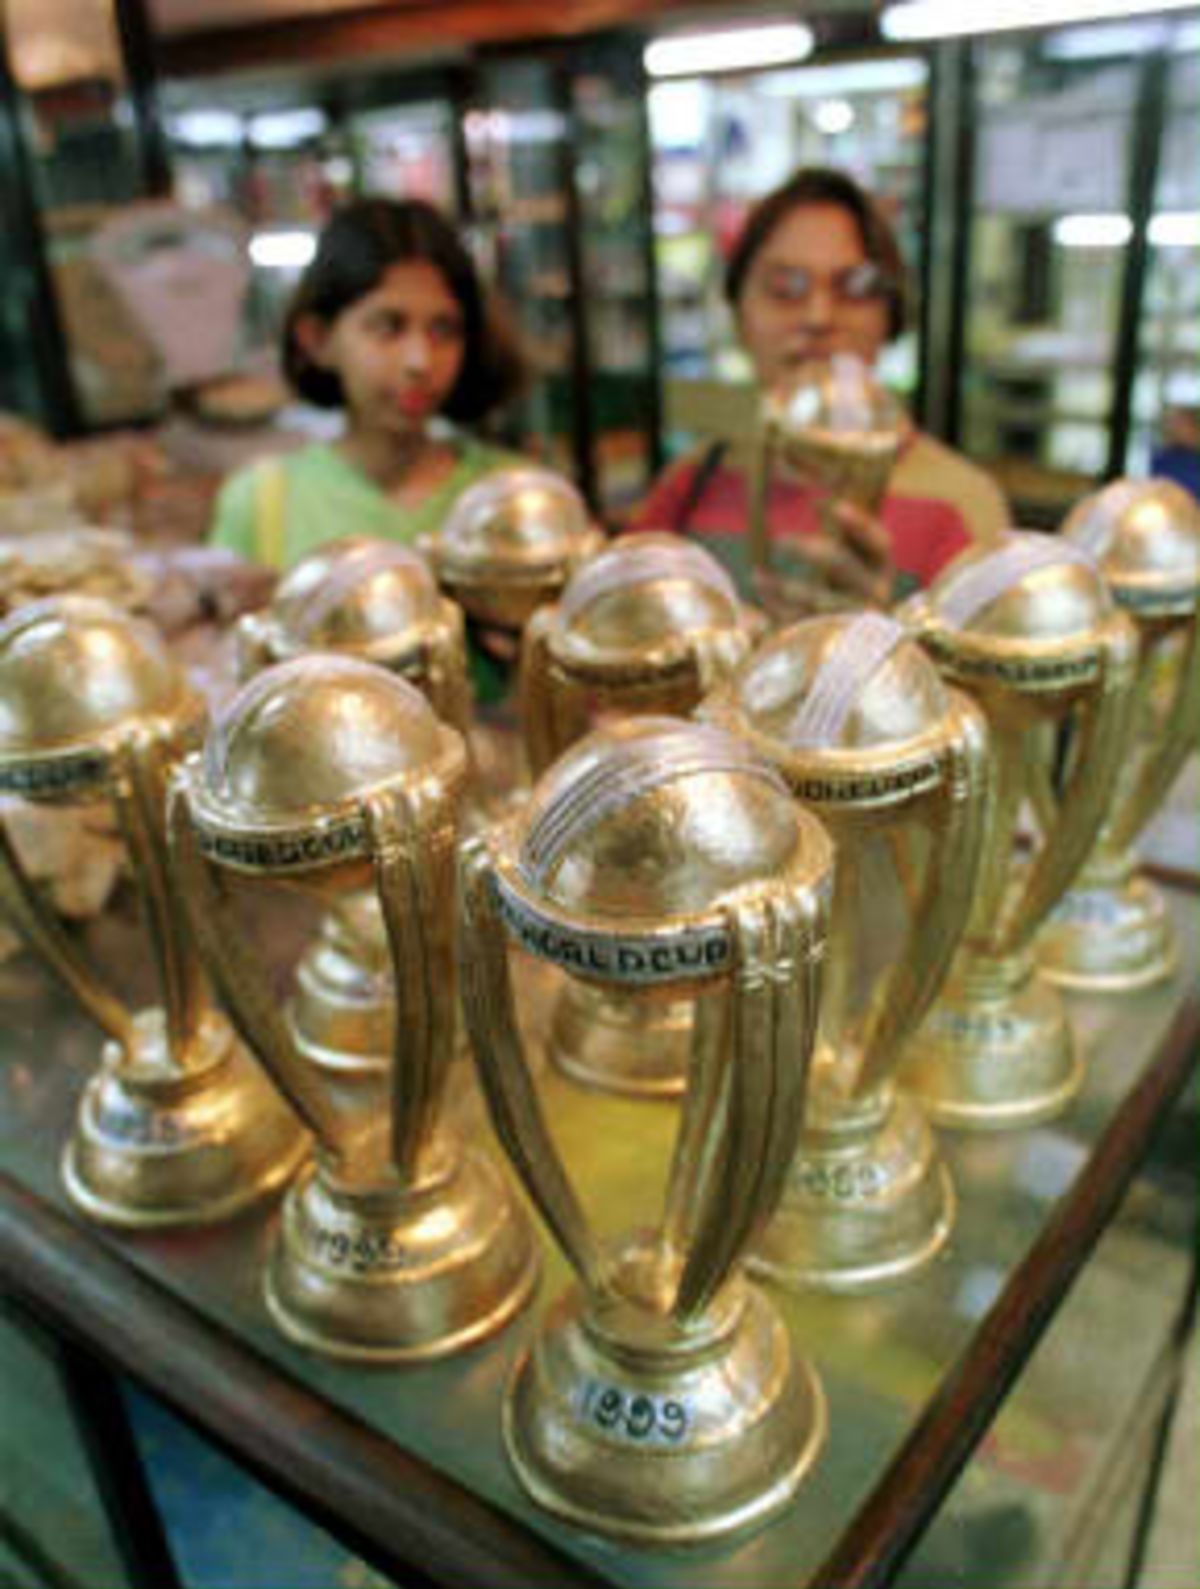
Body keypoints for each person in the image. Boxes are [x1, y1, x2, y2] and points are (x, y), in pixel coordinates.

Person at [630, 168, 1008, 606]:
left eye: (855, 288)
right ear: (738, 316)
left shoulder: (962, 504)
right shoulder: (693, 483)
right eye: (785, 288)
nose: (819, 316)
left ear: (891, 316)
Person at [210, 197, 526, 571]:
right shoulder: (261, 503)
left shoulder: (515, 498)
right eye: (388, 327)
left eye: (443, 330)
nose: (419, 361)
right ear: (317, 340)